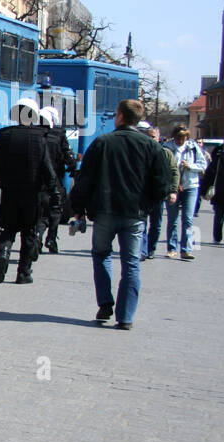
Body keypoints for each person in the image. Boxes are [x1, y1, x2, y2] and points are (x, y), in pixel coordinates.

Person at [69, 99, 175, 329]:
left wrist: (79, 209)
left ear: (119, 116)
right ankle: (126, 316)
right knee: (131, 263)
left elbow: (85, 179)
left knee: (101, 254)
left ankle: (105, 302)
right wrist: (148, 205)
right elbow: (162, 184)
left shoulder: (102, 143)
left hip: (105, 210)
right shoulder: (152, 146)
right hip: (135, 214)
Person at [0, 96, 57, 284]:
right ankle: (23, 273)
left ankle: (4, 253)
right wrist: (55, 194)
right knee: (29, 233)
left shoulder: (4, 137)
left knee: (8, 229)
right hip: (32, 195)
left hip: (8, 192)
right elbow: (48, 169)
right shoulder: (40, 139)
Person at [36, 106, 76, 255]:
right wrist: (72, 167)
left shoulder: (35, 134)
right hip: (54, 180)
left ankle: (38, 238)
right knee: (55, 210)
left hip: (37, 181)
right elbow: (69, 157)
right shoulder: (59, 136)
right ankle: (51, 238)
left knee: (40, 212)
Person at [163, 126, 207, 260]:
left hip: (190, 185)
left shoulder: (193, 147)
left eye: (183, 138)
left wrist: (191, 166)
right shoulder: (167, 147)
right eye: (178, 138)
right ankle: (172, 248)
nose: (180, 141)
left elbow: (203, 165)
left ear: (187, 137)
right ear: (174, 137)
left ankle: (186, 249)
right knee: (172, 219)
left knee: (188, 218)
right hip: (173, 187)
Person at [140, 123, 176, 260]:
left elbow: (173, 171)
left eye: (153, 136)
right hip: (143, 194)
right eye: (148, 136)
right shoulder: (141, 152)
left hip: (159, 195)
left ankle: (151, 248)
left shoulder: (165, 152)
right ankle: (142, 250)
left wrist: (172, 190)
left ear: (159, 137)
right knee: (141, 223)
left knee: (156, 224)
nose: (151, 139)